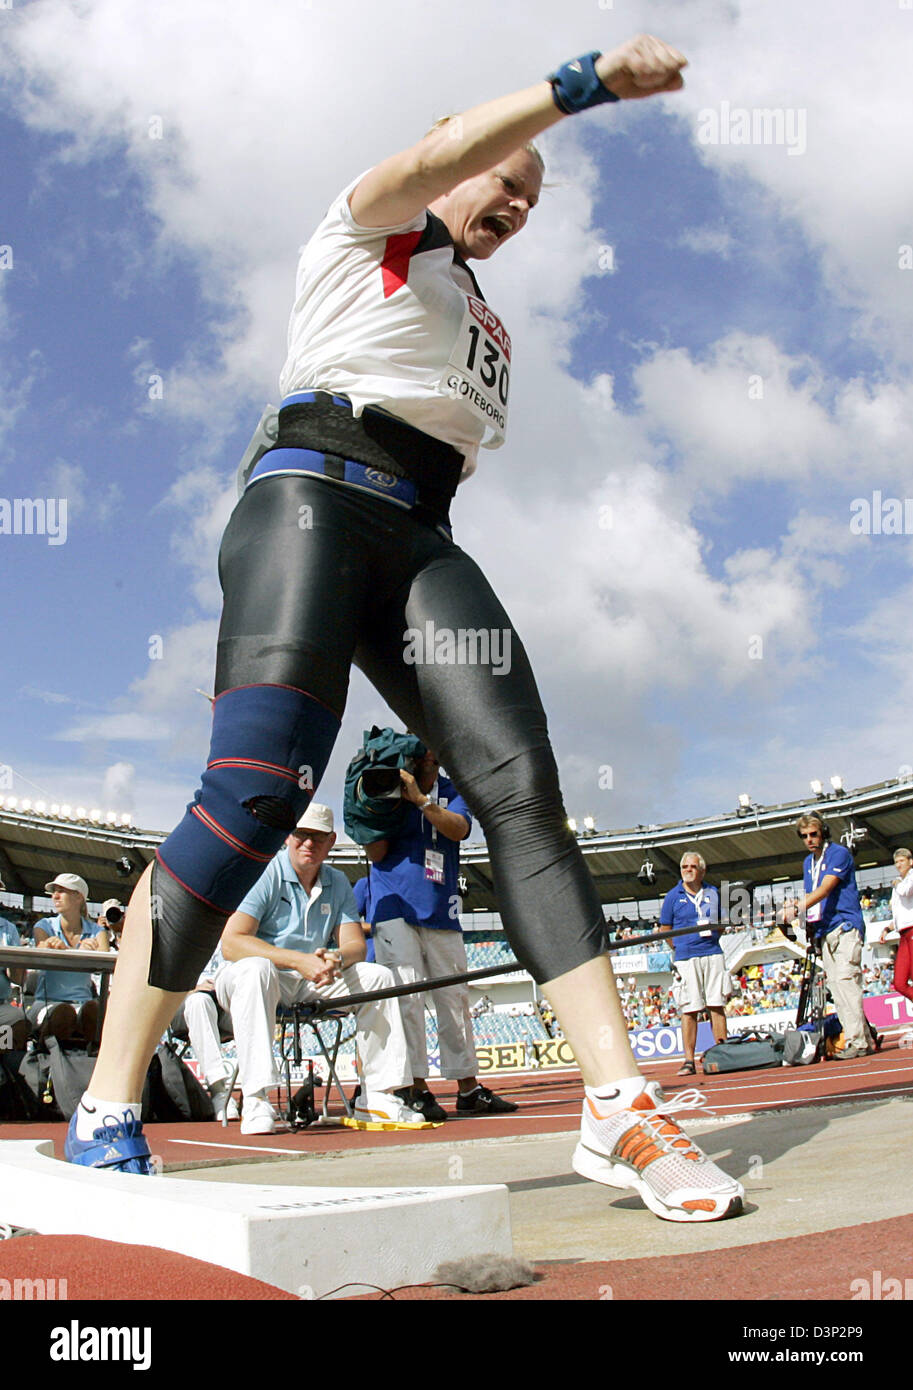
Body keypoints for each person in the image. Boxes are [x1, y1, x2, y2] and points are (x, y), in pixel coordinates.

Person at [71, 32, 744, 1224]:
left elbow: (445, 424)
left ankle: (617, 1102)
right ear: (454, 159)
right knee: (254, 792)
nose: (515, 205)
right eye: (503, 180)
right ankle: (111, 1104)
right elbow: (444, 151)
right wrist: (578, 88)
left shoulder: (480, 315)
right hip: (309, 500)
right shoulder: (370, 224)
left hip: (419, 535)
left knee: (520, 785)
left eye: (532, 202)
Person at [214, 804, 429, 1134]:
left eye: (317, 837)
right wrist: (298, 960)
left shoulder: (338, 881)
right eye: (301, 835)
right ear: (288, 837)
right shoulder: (265, 873)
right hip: (258, 978)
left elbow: (355, 944)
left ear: (331, 841)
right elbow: (233, 943)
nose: (308, 844)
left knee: (379, 977)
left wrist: (336, 959)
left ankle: (378, 1096)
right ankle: (256, 1098)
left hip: (309, 979)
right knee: (256, 969)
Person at [363, 744, 516, 1120]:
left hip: (441, 907)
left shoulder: (452, 790)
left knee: (454, 999)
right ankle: (416, 1087)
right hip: (396, 906)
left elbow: (459, 829)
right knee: (408, 1000)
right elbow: (375, 852)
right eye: (421, 749)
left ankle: (468, 1087)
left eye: (433, 749)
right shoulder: (387, 789)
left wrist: (420, 802)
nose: (428, 755)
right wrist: (383, 805)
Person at [795, 813, 870, 1058]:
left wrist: (794, 907)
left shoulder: (838, 853)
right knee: (837, 988)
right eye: (805, 836)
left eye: (814, 834)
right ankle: (864, 1037)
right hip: (825, 931)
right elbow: (812, 896)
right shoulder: (808, 863)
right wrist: (808, 929)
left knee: (847, 983)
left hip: (845, 925)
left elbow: (825, 888)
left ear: (823, 832)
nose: (809, 840)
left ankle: (858, 1042)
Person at [661, 852, 729, 1075]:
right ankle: (688, 1060)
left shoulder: (713, 892)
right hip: (686, 957)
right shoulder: (672, 896)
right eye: (684, 867)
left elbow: (722, 923)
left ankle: (723, 1053)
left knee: (716, 1004)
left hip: (712, 952)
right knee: (689, 1009)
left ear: (702, 870)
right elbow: (665, 930)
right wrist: (680, 947)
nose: (687, 870)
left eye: (692, 866)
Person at [31, 874, 109, 1046]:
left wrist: (91, 953)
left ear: (78, 897)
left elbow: (107, 963)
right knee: (63, 1013)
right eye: (54, 892)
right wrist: (77, 953)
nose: (55, 896)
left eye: (61, 891)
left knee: (94, 1010)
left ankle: (93, 1063)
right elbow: (40, 950)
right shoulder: (43, 925)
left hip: (83, 1003)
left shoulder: (97, 931)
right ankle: (47, 1063)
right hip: (47, 1001)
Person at [169, 945, 239, 1122]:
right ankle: (219, 1091)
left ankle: (257, 1093)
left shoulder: (237, 926)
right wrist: (191, 988)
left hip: (227, 1002)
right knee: (199, 1001)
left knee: (256, 1006)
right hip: (185, 1002)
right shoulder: (180, 927)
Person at [0, 879, 27, 1051]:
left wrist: (15, 962)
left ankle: (4, 1065)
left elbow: (17, 979)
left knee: (17, 1018)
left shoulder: (7, 928)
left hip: (1, 1005)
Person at [885, 847, 913, 1009]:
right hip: (903, 933)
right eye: (896, 862)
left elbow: (906, 891)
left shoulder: (908, 879)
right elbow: (898, 912)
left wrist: (897, 883)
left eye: (902, 861)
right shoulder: (898, 882)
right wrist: (887, 929)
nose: (898, 865)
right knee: (899, 982)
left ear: (910, 862)